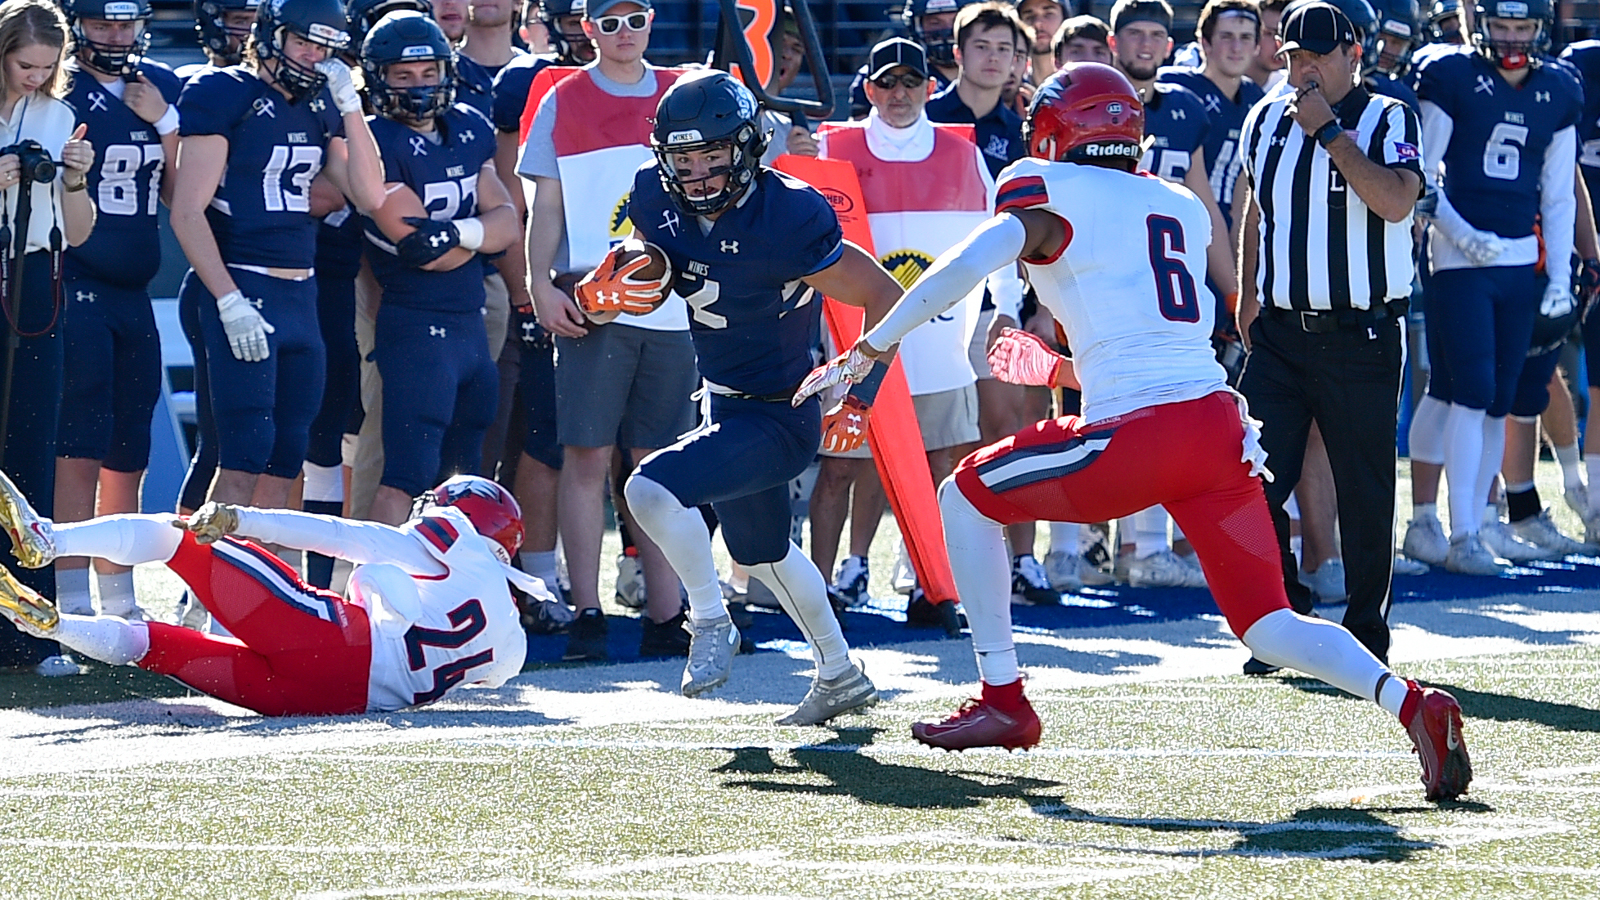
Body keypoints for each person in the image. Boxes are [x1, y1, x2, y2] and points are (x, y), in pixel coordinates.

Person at [796, 62, 1473, 805]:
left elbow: (966, 265)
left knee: (963, 495)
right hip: (1216, 429)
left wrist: (876, 342)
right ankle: (1413, 703)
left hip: (1139, 436)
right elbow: (1144, 335)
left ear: (1056, 127)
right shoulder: (1174, 201)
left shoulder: (1040, 183)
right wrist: (1057, 362)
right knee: (1268, 621)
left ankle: (1003, 697)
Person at [613, 71, 895, 723]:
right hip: (723, 400)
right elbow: (655, 266)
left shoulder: (788, 213)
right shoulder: (653, 196)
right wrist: (616, 282)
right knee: (763, 553)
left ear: (748, 148)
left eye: (713, 154)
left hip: (781, 410)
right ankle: (840, 673)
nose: (700, 171)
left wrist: (860, 387)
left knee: (648, 490)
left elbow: (883, 294)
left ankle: (710, 620)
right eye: (685, 158)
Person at [0, 470, 534, 715]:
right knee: (156, 648)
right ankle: (54, 625)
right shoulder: (510, 638)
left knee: (173, 536)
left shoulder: (452, 544)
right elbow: (486, 672)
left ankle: (50, 540)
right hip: (324, 704)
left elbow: (343, 536)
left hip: (331, 640)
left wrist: (244, 517)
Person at [1235, 1, 1422, 666]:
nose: (1304, 69)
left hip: (1361, 335)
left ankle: (1367, 637)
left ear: (1354, 55)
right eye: (1293, 56)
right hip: (1282, 335)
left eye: (1318, 55)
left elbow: (1397, 201)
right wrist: (1246, 290)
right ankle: (1282, 620)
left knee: (1365, 492)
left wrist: (1331, 134)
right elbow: (1255, 209)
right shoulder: (1263, 117)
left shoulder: (1388, 116)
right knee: (1245, 478)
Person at [811, 37, 1022, 621]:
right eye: (887, 83)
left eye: (910, 82)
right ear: (869, 89)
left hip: (942, 343)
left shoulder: (963, 152)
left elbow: (998, 236)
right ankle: (817, 596)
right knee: (839, 467)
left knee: (941, 471)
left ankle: (933, 587)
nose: (899, 94)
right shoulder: (831, 145)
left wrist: (1006, 308)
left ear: (931, 87)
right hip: (854, 342)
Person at [517, 0, 696, 661]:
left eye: (636, 18)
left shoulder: (689, 92)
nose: (624, 33)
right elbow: (546, 207)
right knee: (587, 458)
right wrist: (540, 285)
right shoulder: (562, 99)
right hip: (593, 304)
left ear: (652, 21)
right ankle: (588, 612)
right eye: (609, 21)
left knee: (658, 469)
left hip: (676, 312)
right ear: (586, 28)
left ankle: (665, 615)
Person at [169, 0, 385, 518]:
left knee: (286, 459)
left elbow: (371, 195)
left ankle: (261, 590)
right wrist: (228, 298)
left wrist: (352, 109)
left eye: (325, 49)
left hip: (300, 293)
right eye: (303, 42)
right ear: (271, 34)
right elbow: (186, 213)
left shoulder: (321, 105)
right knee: (240, 456)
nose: (312, 57)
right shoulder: (222, 92)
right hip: (239, 284)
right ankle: (207, 591)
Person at [1404, 0, 1579, 573]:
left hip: (1518, 260)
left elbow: (1557, 194)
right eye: (1500, 26)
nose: (1510, 38)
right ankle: (1462, 533)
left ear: (1540, 28)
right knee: (1472, 390)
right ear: (1480, 25)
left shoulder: (1558, 88)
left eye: (1521, 27)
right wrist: (1459, 232)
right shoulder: (1452, 75)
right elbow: (1423, 173)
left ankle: (1464, 523)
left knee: (1494, 399)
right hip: (1458, 257)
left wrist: (1558, 278)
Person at [360, 11, 520, 526]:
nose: (418, 86)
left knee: (465, 474)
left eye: (428, 73)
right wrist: (472, 233)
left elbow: (507, 223)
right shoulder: (373, 141)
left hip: (468, 321)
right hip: (414, 322)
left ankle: (448, 591)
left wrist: (456, 231)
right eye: (402, 76)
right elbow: (428, 252)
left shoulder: (469, 126)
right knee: (407, 472)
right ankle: (377, 590)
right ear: (378, 78)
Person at [53, 0, 182, 626]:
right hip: (76, 281)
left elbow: (187, 197)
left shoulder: (160, 86)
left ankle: (121, 597)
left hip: (134, 289)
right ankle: (70, 596)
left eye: (125, 24)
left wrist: (168, 124)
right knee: (76, 445)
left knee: (128, 447)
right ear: (78, 26)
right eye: (102, 23)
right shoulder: (60, 88)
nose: (114, 36)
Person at [0, 0, 98, 672]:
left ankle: (30, 629)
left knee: (33, 448)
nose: (35, 76)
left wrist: (76, 176)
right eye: (23, 63)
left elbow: (82, 231)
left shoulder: (60, 117)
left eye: (47, 65)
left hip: (36, 281)